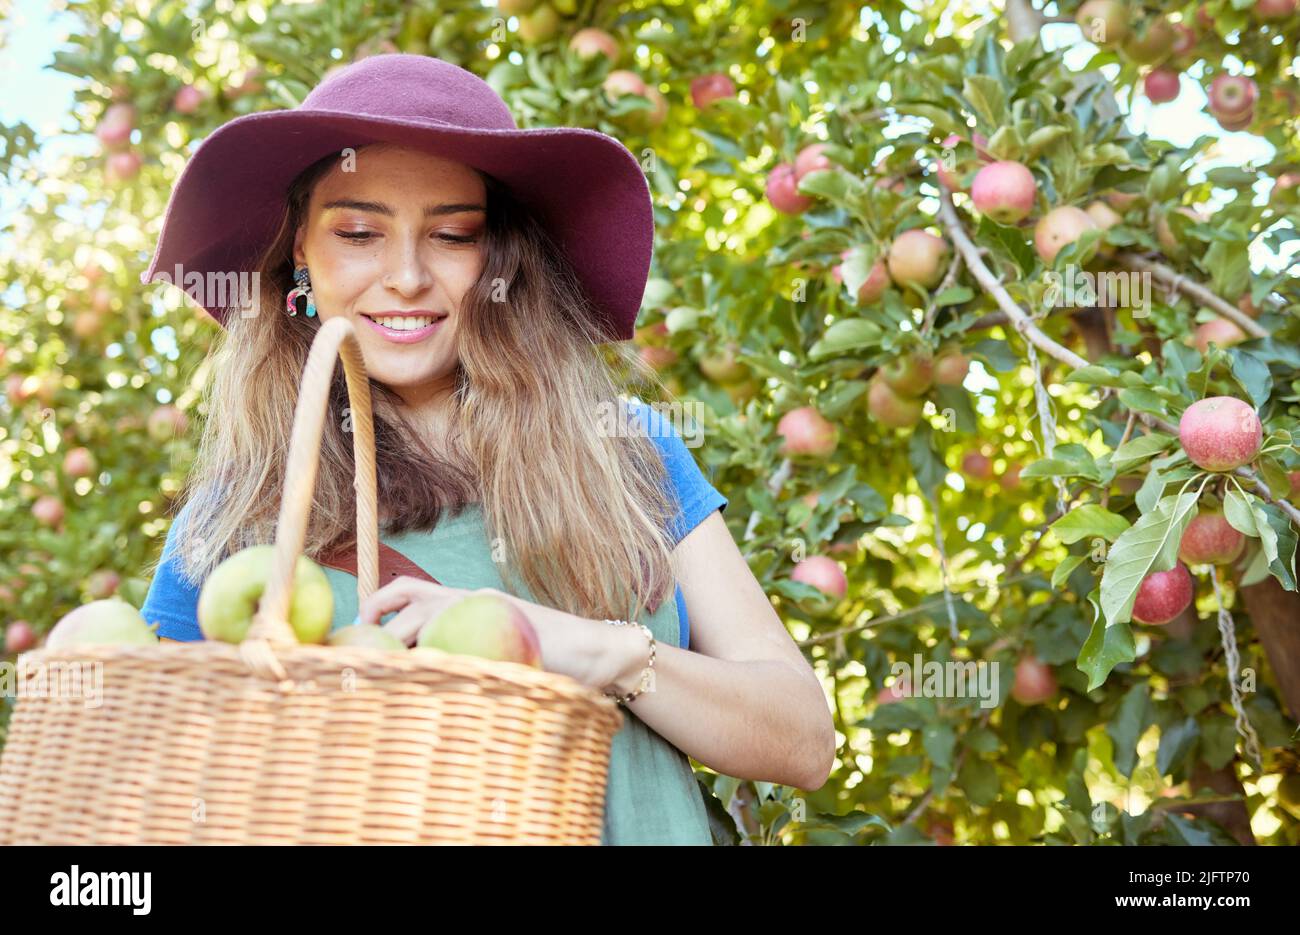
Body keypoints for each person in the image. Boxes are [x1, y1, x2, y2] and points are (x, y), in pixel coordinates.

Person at [139, 53, 833, 845]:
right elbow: (155, 795)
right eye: (359, 232)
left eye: (452, 234)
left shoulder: (625, 451)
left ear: (499, 255)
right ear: (302, 249)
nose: (405, 276)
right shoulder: (241, 514)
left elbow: (803, 737)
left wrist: (591, 648)